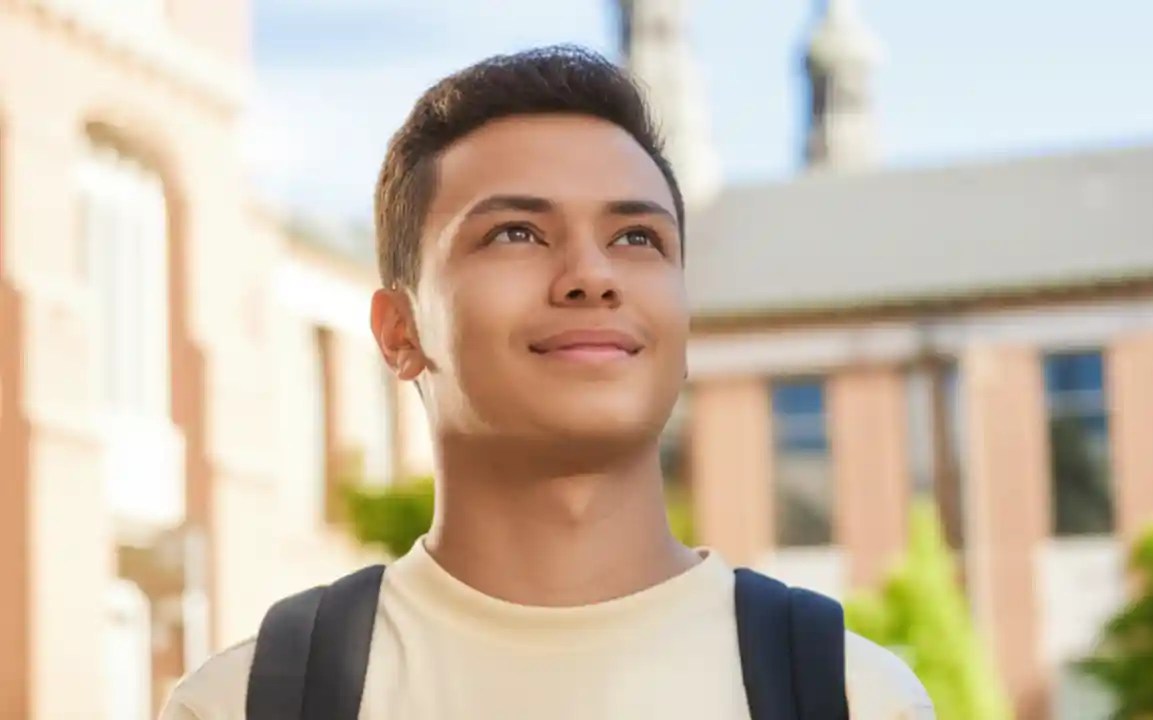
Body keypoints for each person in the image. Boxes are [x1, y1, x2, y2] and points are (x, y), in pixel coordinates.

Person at [160, 46, 934, 720]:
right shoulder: (247, 703)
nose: (592, 275)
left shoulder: (854, 697)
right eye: (517, 233)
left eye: (637, 237)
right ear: (400, 332)